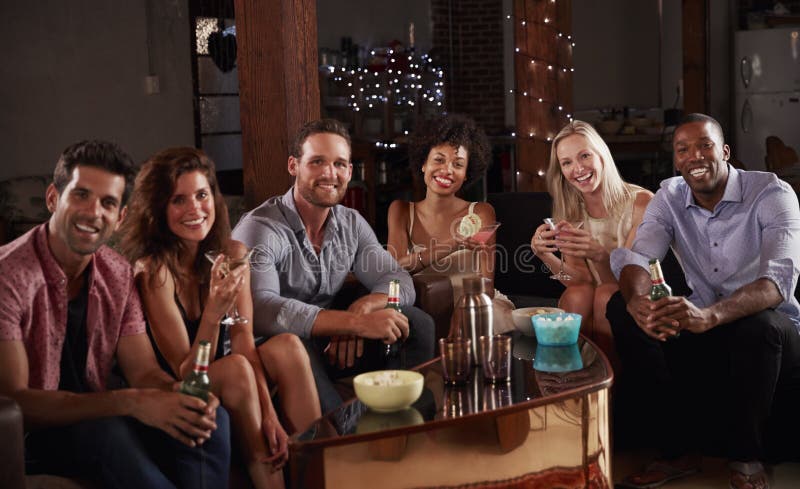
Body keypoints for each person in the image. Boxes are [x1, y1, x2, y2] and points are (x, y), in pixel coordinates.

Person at [0, 140, 231, 488]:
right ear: (52, 198)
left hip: (104, 413)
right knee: (108, 433)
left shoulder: (118, 273)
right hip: (34, 436)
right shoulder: (8, 276)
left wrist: (179, 393)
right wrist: (130, 402)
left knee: (209, 420)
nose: (94, 212)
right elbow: (15, 402)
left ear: (120, 217)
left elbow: (143, 372)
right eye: (81, 195)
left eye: (108, 203)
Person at [607, 113, 800, 489]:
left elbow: (777, 283)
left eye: (704, 145)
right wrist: (640, 303)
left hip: (773, 328)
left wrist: (710, 316)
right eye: (683, 150)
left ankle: (746, 460)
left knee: (757, 328)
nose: (694, 156)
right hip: (705, 322)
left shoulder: (772, 193)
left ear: (724, 151)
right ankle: (678, 453)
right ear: (676, 161)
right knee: (621, 307)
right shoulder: (669, 196)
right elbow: (639, 259)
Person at [117, 147, 321, 488]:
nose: (195, 209)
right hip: (179, 385)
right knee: (237, 369)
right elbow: (187, 371)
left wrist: (268, 413)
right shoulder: (154, 273)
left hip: (230, 373)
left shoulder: (233, 254)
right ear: (158, 208)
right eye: (178, 200)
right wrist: (213, 311)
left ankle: (321, 471)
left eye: (201, 194)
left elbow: (243, 340)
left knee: (288, 346)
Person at [231, 119, 435, 415]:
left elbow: (396, 279)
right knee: (294, 344)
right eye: (317, 162)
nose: (330, 173)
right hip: (276, 348)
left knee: (416, 323)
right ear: (293, 166)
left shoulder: (351, 223)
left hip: (328, 342)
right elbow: (262, 309)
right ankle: (343, 435)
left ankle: (401, 416)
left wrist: (364, 308)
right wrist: (350, 323)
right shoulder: (261, 228)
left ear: (350, 171)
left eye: (340, 164)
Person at [530, 120, 652, 362]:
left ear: (601, 155)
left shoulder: (642, 203)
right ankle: (569, 378)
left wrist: (600, 256)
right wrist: (545, 255)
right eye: (567, 163)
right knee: (578, 294)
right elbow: (574, 280)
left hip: (636, 294)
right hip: (594, 297)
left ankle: (608, 385)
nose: (577, 169)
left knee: (605, 294)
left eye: (584, 156)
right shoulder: (571, 211)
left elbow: (632, 283)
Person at [387, 113, 515, 332]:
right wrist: (452, 244)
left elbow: (487, 285)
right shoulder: (400, 211)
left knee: (472, 321)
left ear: (466, 174)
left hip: (479, 306)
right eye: (438, 160)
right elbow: (394, 270)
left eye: (458, 164)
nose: (447, 170)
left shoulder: (481, 213)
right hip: (425, 311)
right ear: (423, 164)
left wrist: (464, 308)